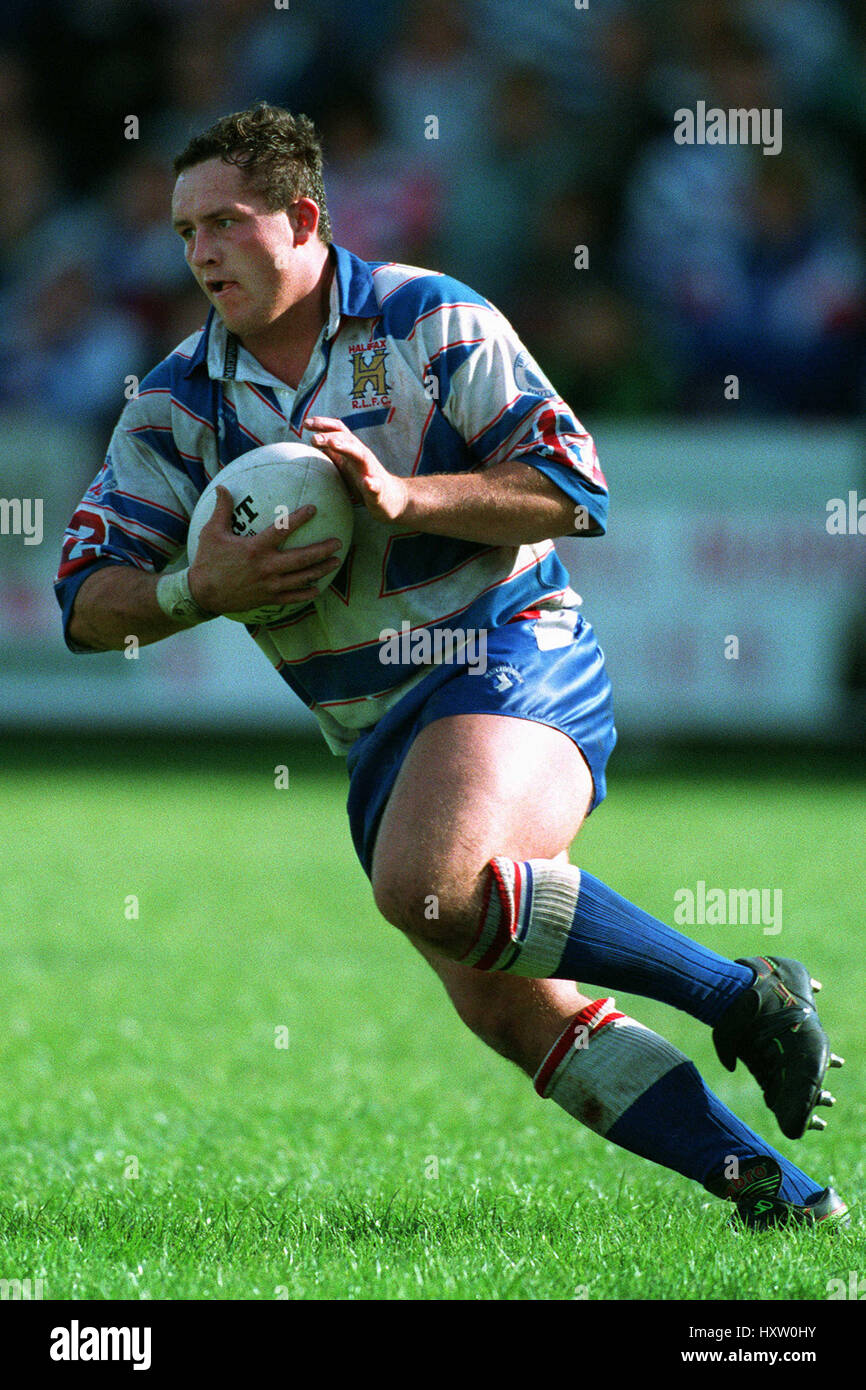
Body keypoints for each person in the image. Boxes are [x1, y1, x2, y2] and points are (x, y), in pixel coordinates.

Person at [56, 103, 846, 1230]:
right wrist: (194, 591)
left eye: (225, 223)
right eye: (185, 232)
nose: (200, 253)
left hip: (509, 654)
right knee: (512, 1010)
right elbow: (83, 602)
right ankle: (784, 1197)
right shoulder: (176, 403)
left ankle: (740, 992)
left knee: (429, 882)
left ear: (305, 218)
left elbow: (573, 486)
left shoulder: (431, 319)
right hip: (376, 735)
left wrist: (406, 497)